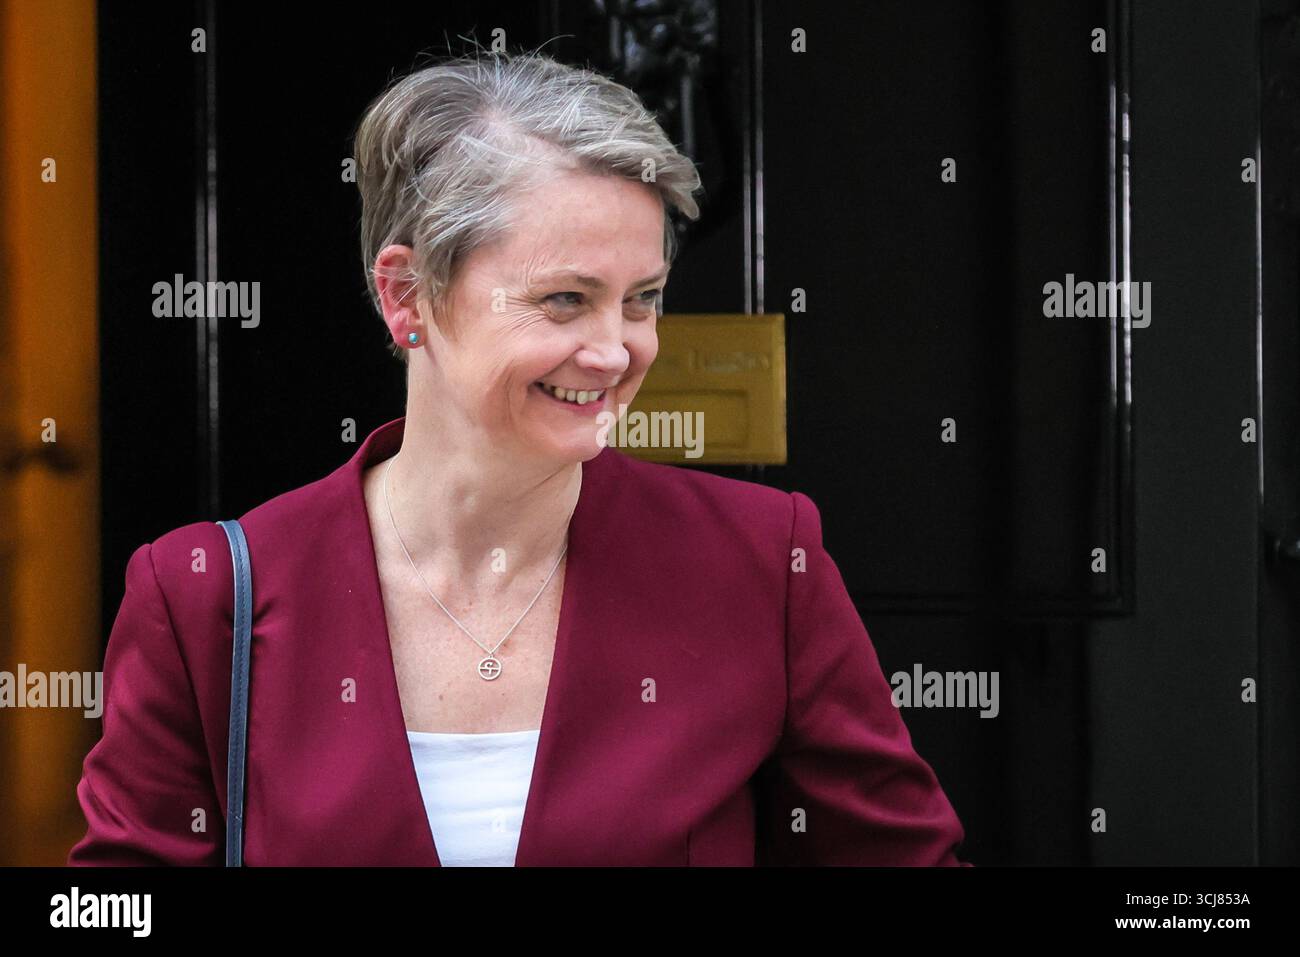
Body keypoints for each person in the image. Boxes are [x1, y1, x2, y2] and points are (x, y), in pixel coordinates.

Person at [68, 49, 970, 866]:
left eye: (641, 299)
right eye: (566, 299)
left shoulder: (762, 562)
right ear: (406, 293)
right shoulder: (201, 597)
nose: (616, 351)